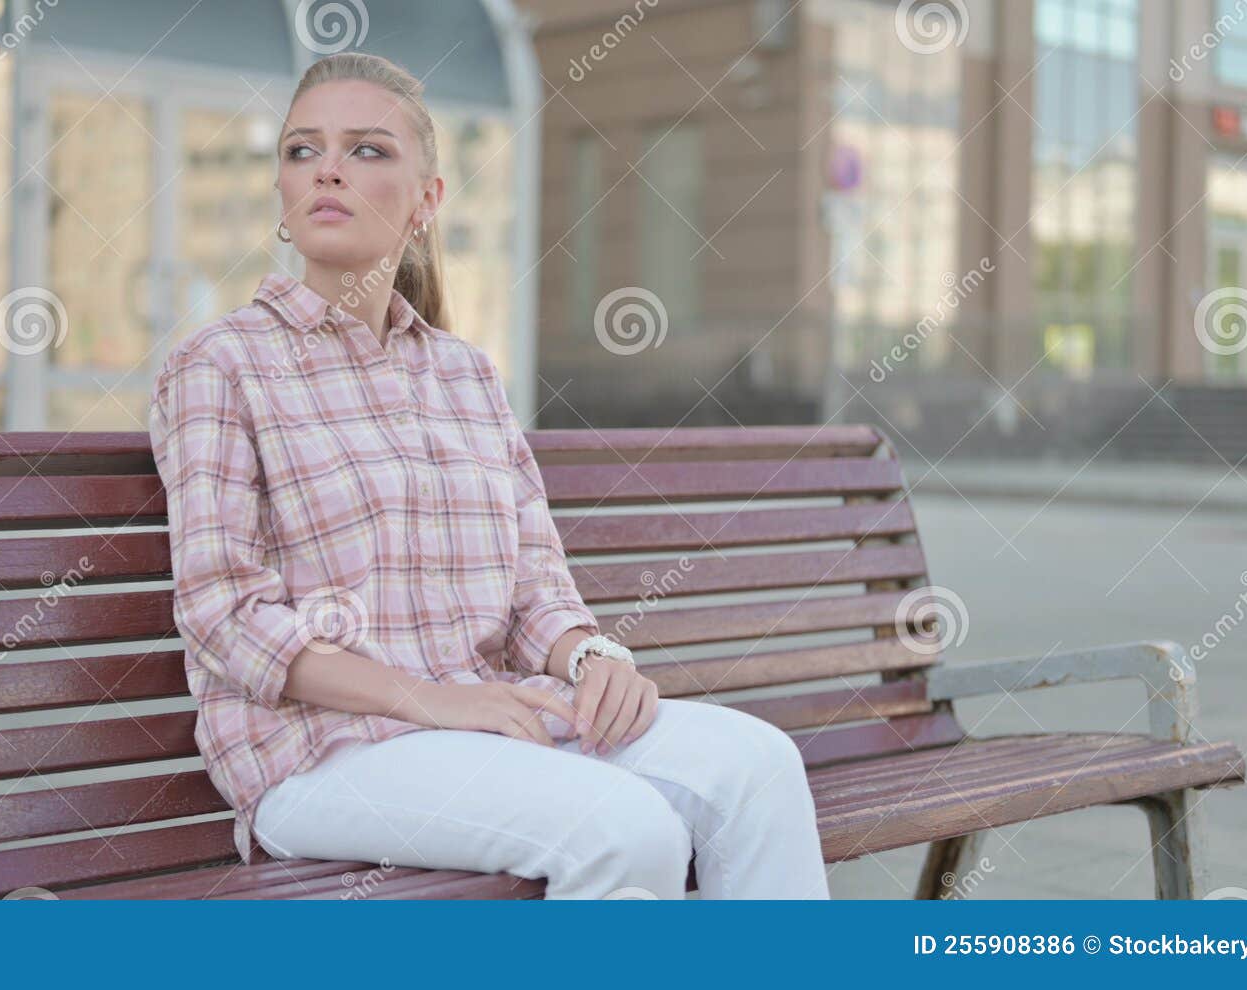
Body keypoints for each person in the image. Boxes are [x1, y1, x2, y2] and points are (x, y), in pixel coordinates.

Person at [147, 51, 829, 900]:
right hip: (319, 756)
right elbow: (223, 615)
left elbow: (535, 588)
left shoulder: (464, 375)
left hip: (490, 719)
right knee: (623, 831)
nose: (327, 168)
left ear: (428, 202)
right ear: (284, 198)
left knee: (759, 765)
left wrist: (591, 657)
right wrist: (425, 701)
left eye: (367, 150)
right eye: (301, 150)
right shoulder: (221, 364)